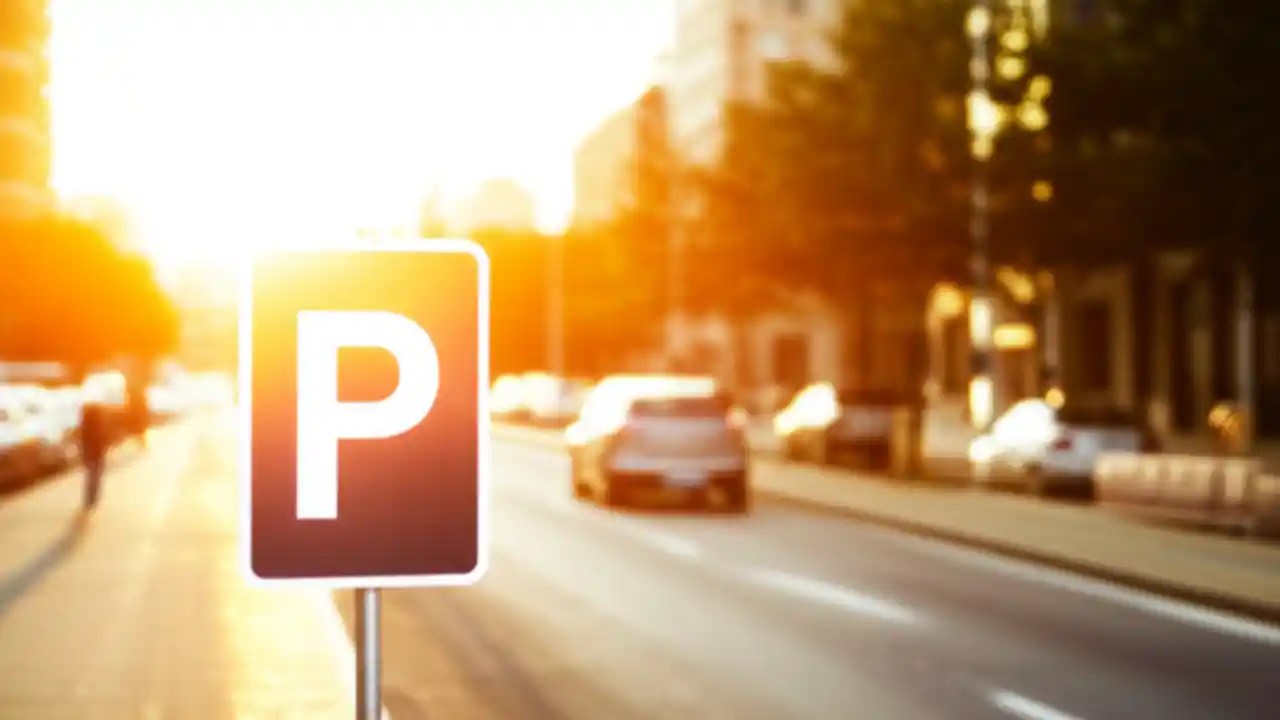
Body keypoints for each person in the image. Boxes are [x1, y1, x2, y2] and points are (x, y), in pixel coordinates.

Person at [80, 401, 109, 509]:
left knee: (91, 476)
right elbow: (102, 440)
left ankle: (90, 497)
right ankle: (93, 497)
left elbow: (84, 442)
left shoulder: (85, 426)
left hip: (90, 455)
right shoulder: (98, 426)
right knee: (96, 476)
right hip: (97, 454)